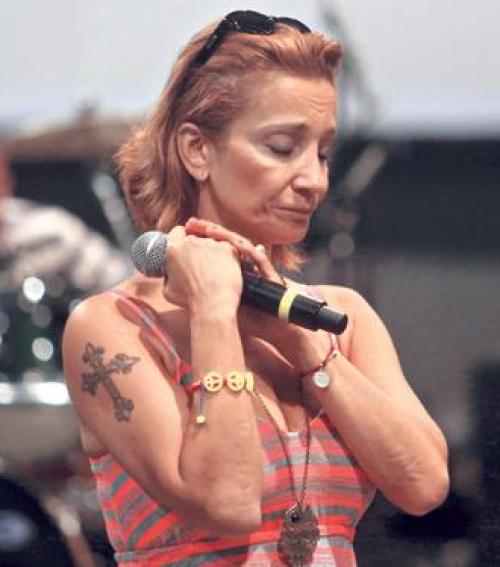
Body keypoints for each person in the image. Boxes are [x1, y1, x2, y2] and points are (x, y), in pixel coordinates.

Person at [62, 10, 449, 566]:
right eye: (282, 147)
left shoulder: (338, 318)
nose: (314, 180)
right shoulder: (114, 327)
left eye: (323, 153)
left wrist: (304, 349)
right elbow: (229, 500)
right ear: (198, 150)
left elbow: (423, 486)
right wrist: (214, 312)